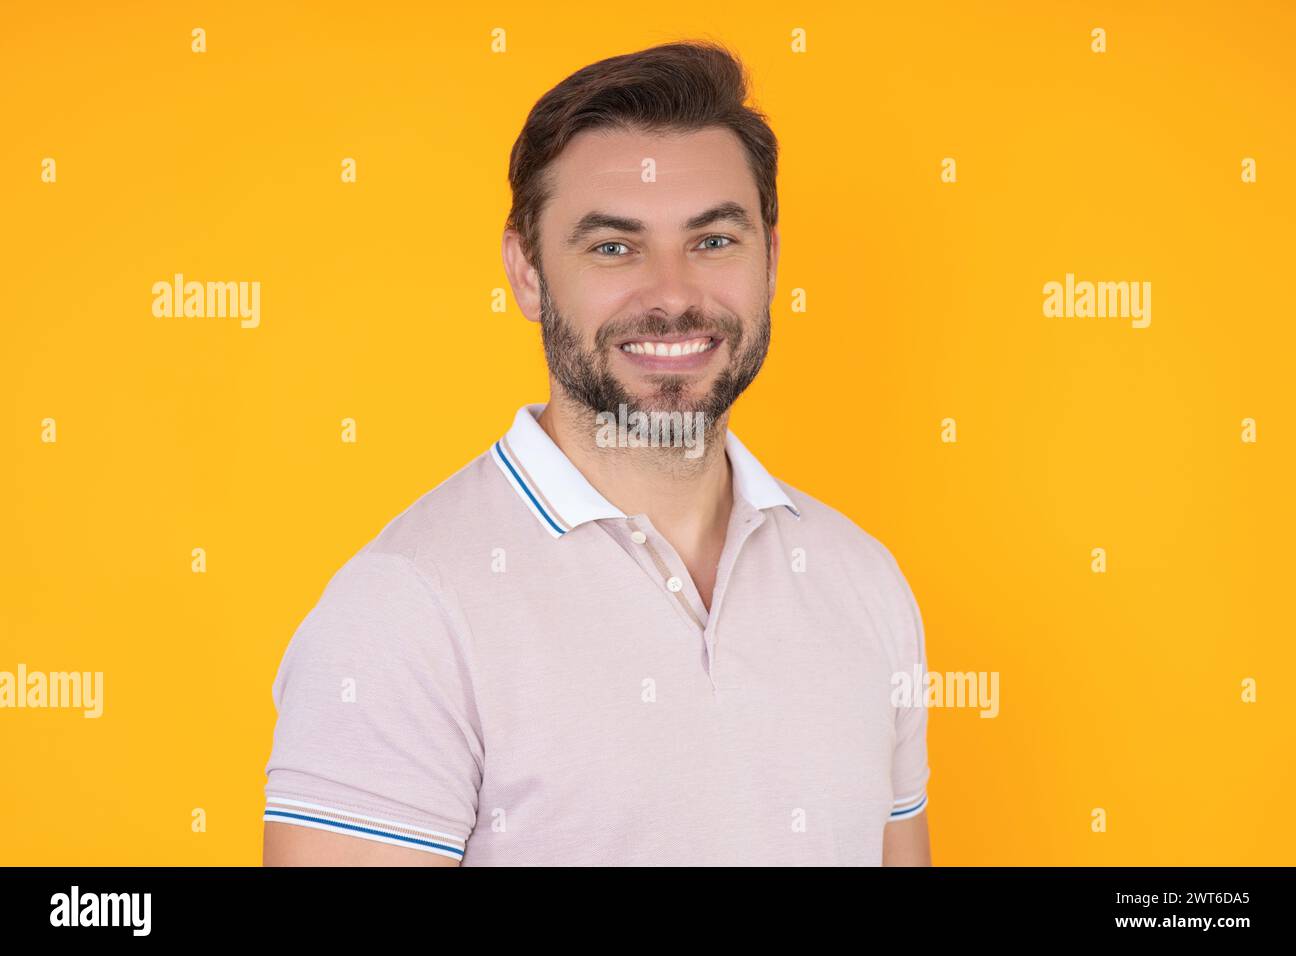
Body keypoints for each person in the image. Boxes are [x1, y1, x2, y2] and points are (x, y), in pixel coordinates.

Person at [262, 38, 932, 866]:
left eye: (714, 240)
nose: (674, 294)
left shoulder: (865, 580)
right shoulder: (403, 612)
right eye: (614, 247)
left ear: (772, 259)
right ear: (528, 272)